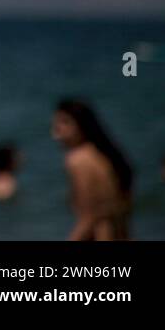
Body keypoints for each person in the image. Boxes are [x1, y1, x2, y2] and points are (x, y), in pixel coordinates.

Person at [51, 99, 132, 240]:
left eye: (65, 122)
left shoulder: (78, 159)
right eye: (56, 123)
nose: (58, 128)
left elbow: (89, 218)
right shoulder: (102, 156)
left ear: (81, 124)